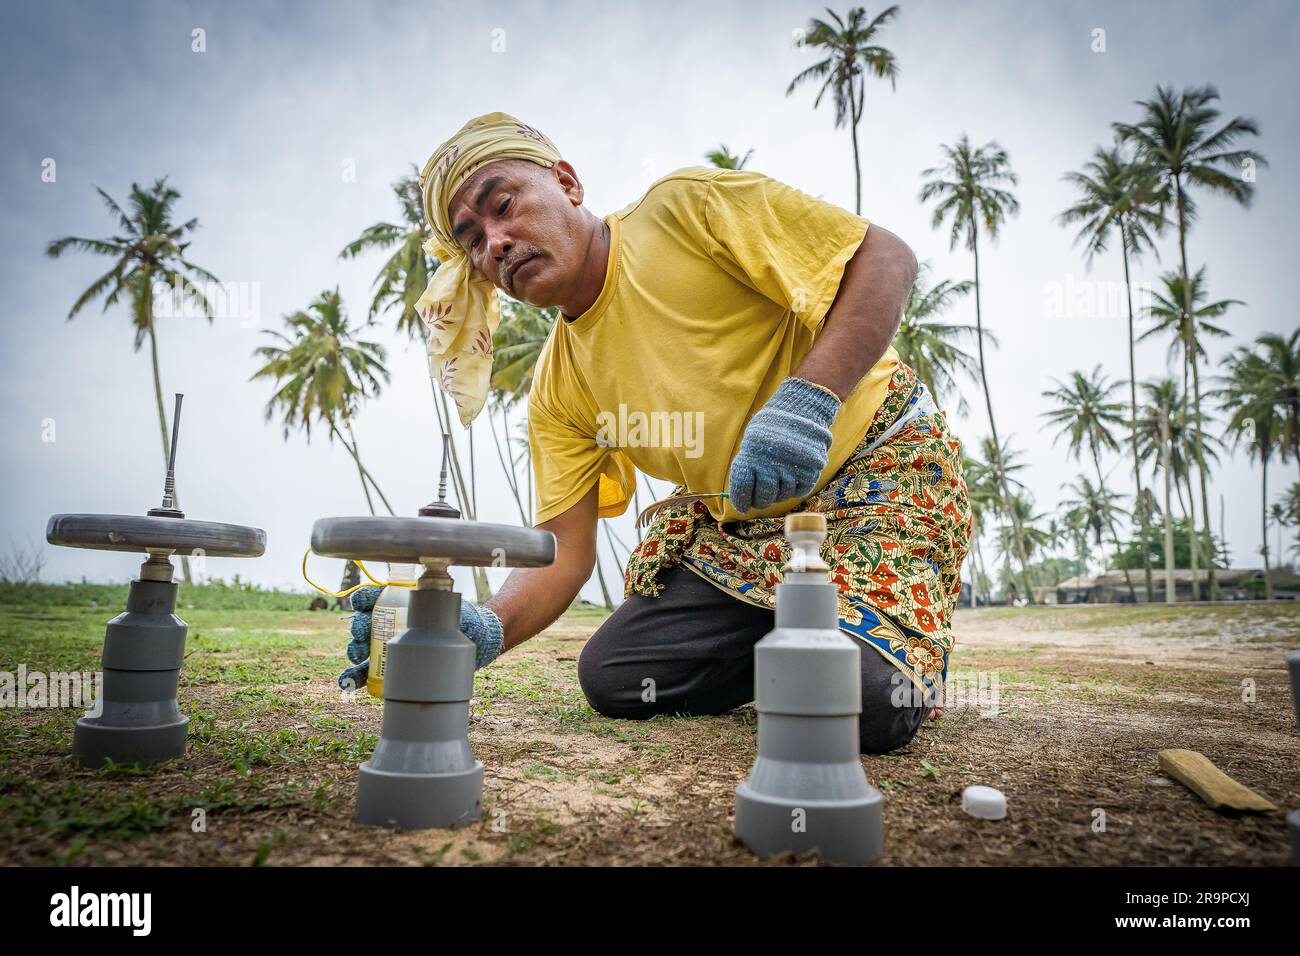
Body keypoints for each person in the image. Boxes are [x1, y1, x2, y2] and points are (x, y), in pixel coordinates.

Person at [344, 112, 972, 753]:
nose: (496, 243)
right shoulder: (557, 388)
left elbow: (885, 256)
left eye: (504, 205)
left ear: (567, 182)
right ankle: (805, 639)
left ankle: (866, 653)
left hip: (878, 478)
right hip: (748, 534)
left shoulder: (684, 210)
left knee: (859, 701)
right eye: (473, 241)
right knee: (616, 678)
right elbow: (565, 550)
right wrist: (484, 625)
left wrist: (808, 401)